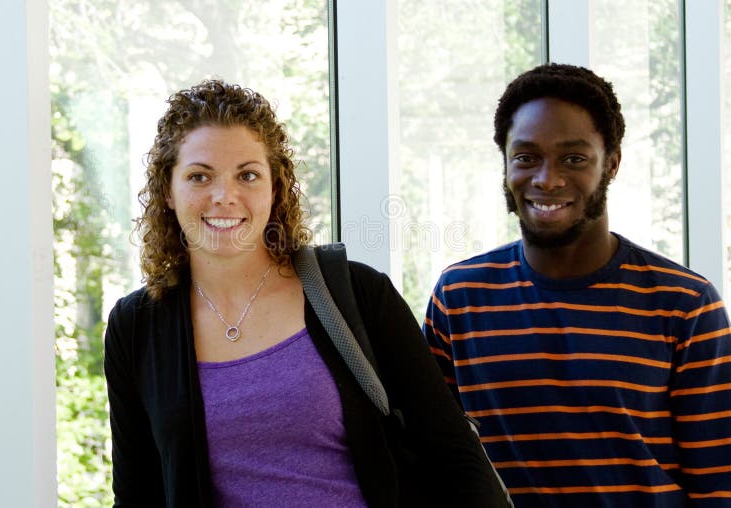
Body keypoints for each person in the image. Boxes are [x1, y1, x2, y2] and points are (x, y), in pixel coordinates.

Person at [104, 78, 508, 507]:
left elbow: (455, 459)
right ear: (167, 190)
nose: (225, 196)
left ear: (275, 187)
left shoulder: (358, 294)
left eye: (248, 175)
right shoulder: (136, 328)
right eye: (200, 176)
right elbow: (137, 493)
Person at [424, 63, 731, 507]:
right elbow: (433, 460)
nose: (547, 179)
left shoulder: (684, 305)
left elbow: (718, 489)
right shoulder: (458, 298)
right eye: (526, 157)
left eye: (574, 158)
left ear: (612, 163)